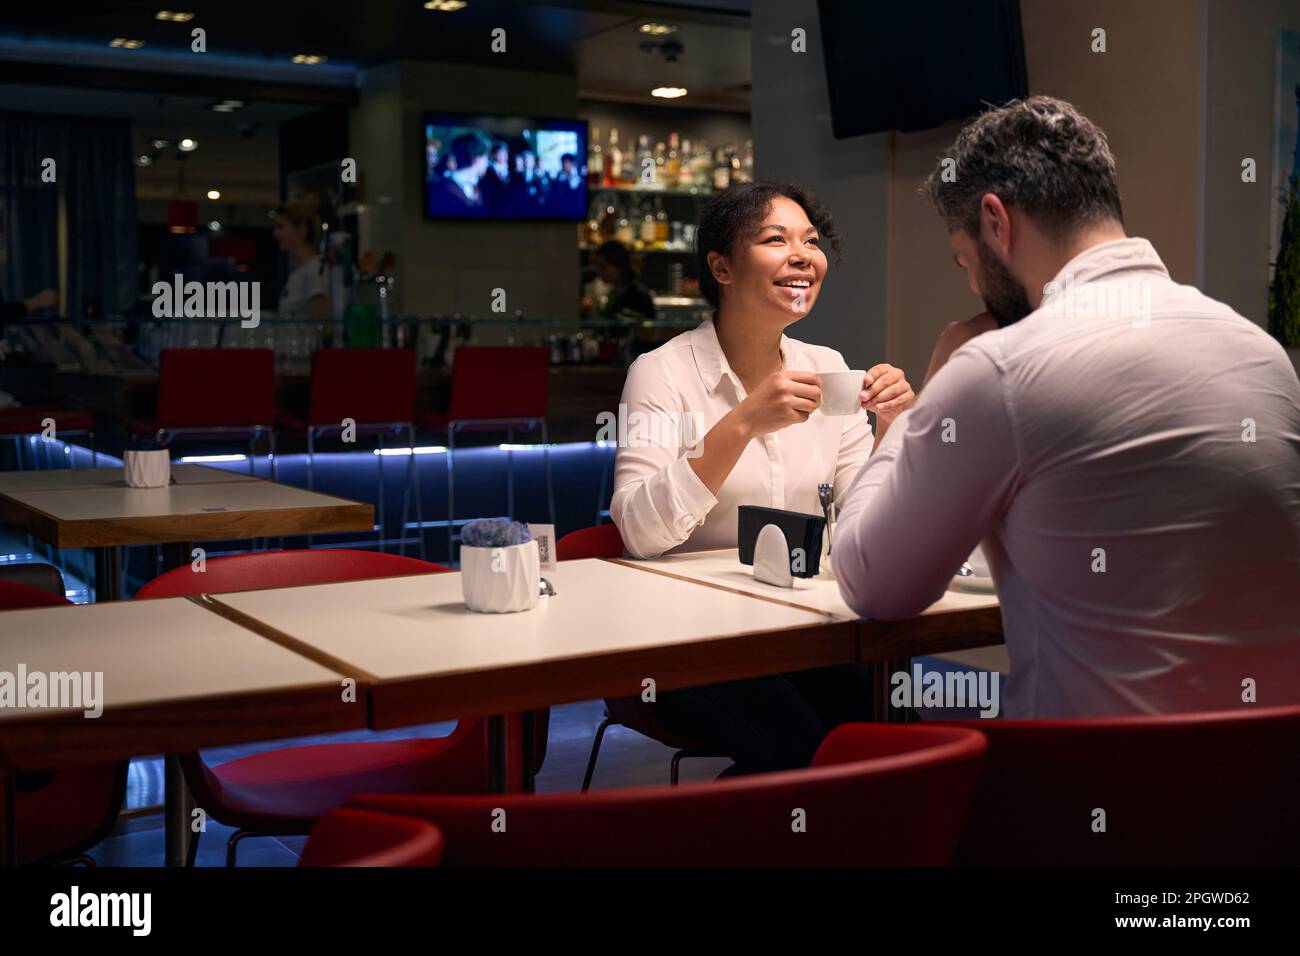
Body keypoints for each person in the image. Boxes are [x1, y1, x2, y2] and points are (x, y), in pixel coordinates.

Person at [831, 95, 1300, 718]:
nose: (973, 286)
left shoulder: (999, 370)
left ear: (997, 221)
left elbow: (874, 585)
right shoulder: (1261, 353)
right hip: (1268, 786)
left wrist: (928, 396)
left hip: (1086, 791)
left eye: (966, 261)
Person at [610, 181, 915, 775]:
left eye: (810, 241)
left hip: (805, 630)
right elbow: (639, 533)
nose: (803, 255)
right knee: (800, 751)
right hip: (687, 644)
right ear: (721, 267)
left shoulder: (828, 370)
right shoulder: (660, 373)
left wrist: (893, 430)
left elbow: (862, 535)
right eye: (776, 240)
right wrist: (742, 422)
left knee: (894, 733)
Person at [271, 195, 329, 343]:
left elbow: (323, 328)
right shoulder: (299, 272)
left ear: (302, 229)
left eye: (281, 227)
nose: (275, 234)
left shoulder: (314, 270)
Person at [591, 240, 656, 320]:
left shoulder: (639, 297)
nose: (599, 271)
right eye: (598, 267)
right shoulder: (613, 293)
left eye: (604, 267)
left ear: (620, 265)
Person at [432, 133, 488, 209]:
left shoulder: (476, 187)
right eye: (486, 157)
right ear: (478, 159)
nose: (487, 162)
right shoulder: (443, 189)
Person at [480, 140, 513, 210]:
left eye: (505, 154)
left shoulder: (510, 171)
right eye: (500, 154)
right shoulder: (487, 171)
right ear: (493, 155)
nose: (503, 157)